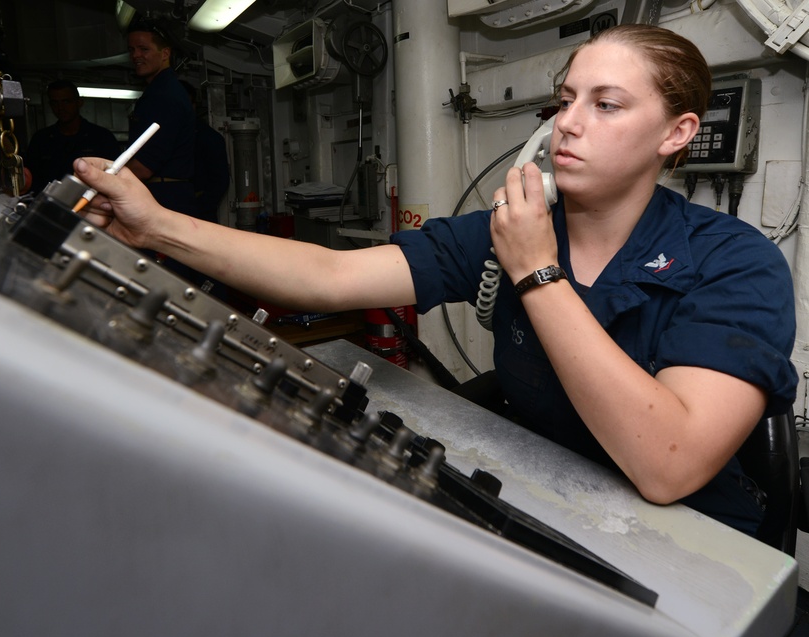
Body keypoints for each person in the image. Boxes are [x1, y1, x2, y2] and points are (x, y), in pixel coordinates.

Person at [70, 24, 798, 538]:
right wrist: (155, 226)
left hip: (695, 540)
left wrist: (537, 273)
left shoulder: (735, 263)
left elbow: (668, 466)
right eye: (565, 100)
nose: (567, 125)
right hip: (551, 501)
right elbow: (328, 275)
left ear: (676, 133)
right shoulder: (510, 225)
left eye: (605, 105)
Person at [124, 19, 197, 218]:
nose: (135, 55)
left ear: (165, 54)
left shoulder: (164, 96)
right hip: (167, 195)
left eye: (143, 49)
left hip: (164, 198)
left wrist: (104, 181)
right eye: (132, 50)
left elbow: (144, 167)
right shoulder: (162, 91)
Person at [23, 79, 120, 195]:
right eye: (55, 103)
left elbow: (115, 175)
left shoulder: (102, 138)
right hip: (50, 202)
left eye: (66, 102)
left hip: (91, 201)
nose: (60, 108)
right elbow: (30, 180)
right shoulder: (40, 140)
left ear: (79, 103)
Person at [181, 80, 230, 224]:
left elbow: (220, 181)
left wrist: (197, 205)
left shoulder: (208, 137)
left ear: (193, 106)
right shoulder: (170, 137)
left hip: (200, 216)